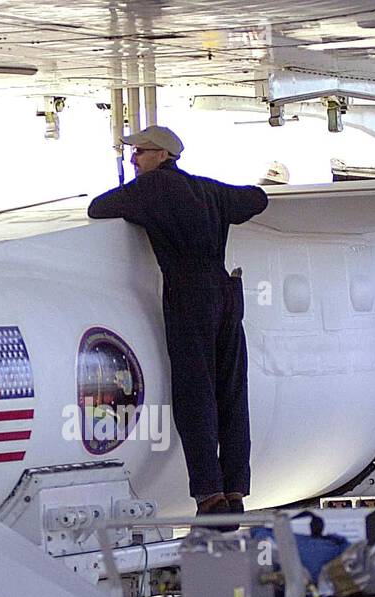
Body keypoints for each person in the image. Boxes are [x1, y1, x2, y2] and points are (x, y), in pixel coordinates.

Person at [87, 126, 268, 518]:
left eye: (141, 152)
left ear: (163, 155)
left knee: (195, 393)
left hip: (188, 293)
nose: (134, 159)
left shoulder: (151, 190)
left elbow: (98, 208)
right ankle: (236, 488)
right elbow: (256, 199)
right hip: (226, 289)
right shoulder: (209, 189)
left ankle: (210, 495)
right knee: (233, 392)